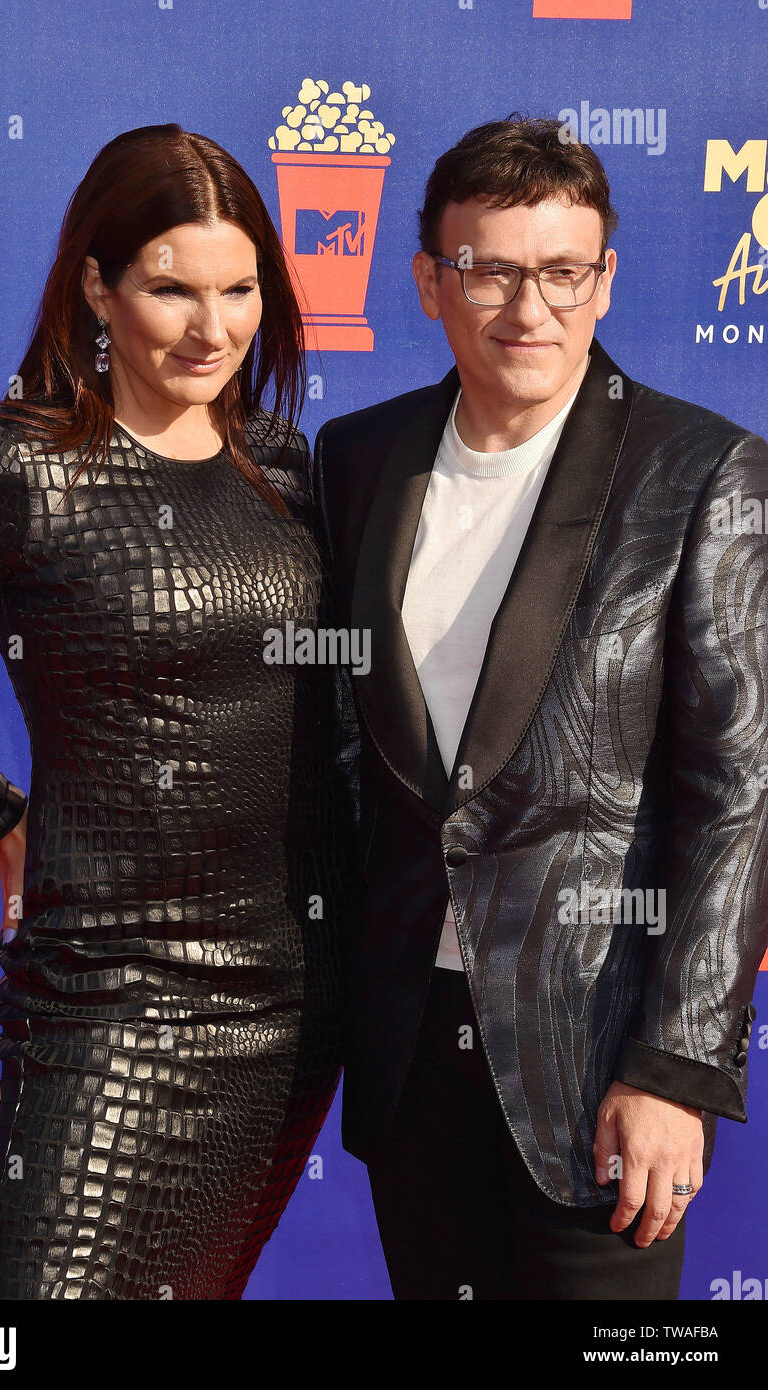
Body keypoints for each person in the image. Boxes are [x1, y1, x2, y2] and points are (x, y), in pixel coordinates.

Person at [0, 123, 356, 1300]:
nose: (212, 327)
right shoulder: (9, 464)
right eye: (170, 288)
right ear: (96, 283)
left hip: (289, 1006)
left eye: (239, 289)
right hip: (106, 999)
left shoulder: (287, 469)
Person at [313, 113, 768, 1300]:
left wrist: (677, 1066)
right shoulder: (358, 458)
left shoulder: (702, 470)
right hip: (412, 1050)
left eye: (564, 272)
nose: (531, 309)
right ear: (429, 279)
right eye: (493, 269)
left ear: (604, 279)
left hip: (599, 1067)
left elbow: (739, 792)